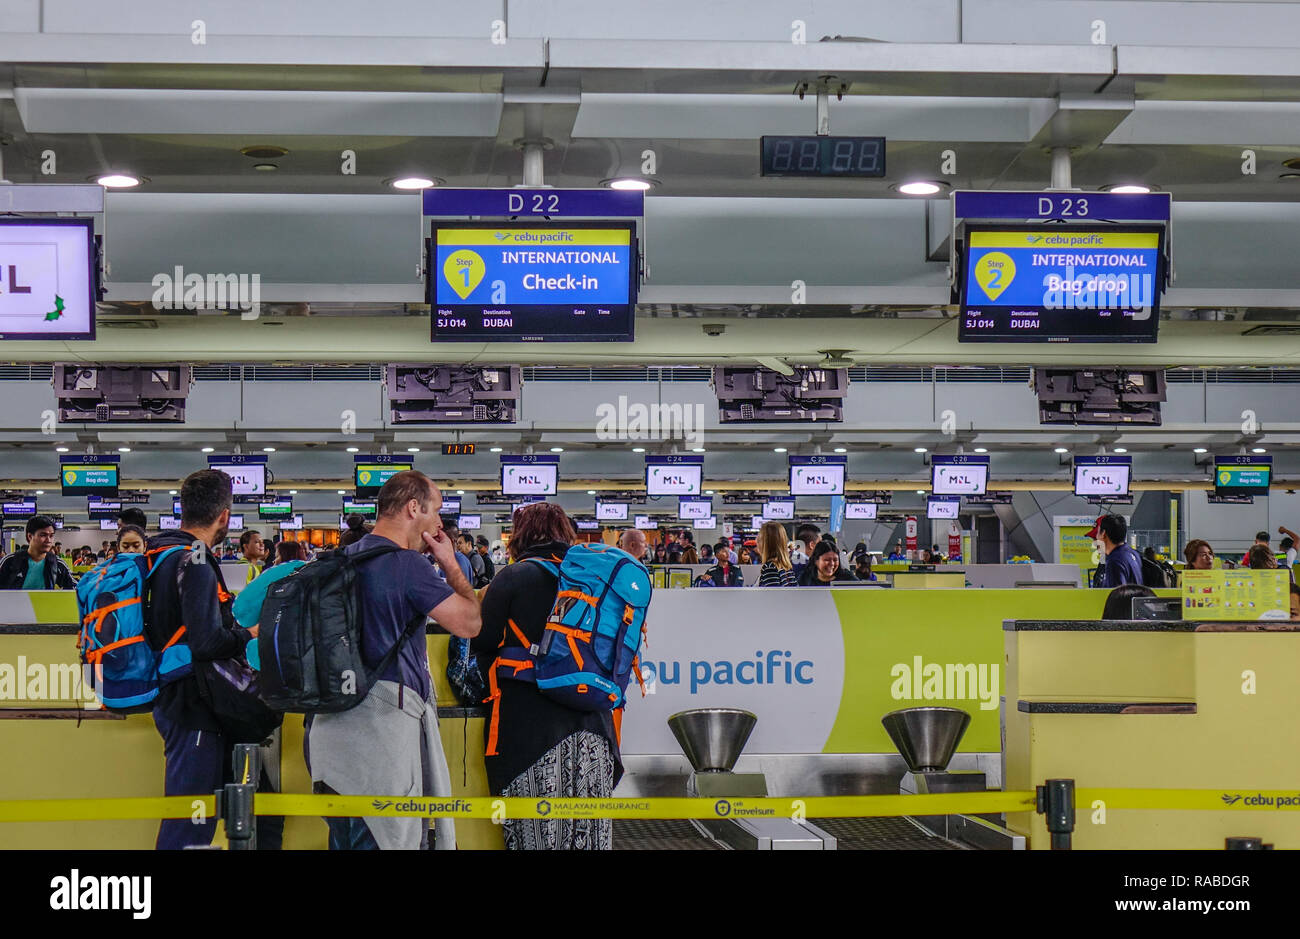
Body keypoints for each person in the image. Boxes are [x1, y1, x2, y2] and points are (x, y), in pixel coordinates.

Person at [307, 471, 480, 851]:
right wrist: (451, 563)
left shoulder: (337, 560)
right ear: (412, 507)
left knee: (348, 838)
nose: (439, 524)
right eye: (435, 511)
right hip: (380, 738)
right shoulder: (408, 566)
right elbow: (469, 623)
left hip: (328, 737)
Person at [145, 469, 283, 850]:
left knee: (258, 809)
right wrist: (249, 635)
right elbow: (206, 642)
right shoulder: (196, 558)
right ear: (224, 516)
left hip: (187, 698)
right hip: (194, 706)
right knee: (190, 824)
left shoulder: (160, 553)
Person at [472, 502, 620, 850]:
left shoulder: (514, 576)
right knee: (590, 838)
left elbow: (482, 642)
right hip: (594, 731)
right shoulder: (594, 579)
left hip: (531, 732)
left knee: (537, 838)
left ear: (520, 536)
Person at [233, 541, 310, 668]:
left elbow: (242, 613)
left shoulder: (280, 572)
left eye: (277, 556)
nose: (274, 561)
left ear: (286, 556)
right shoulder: (320, 573)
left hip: (280, 657)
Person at [0, 516, 76, 589]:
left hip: (44, 602)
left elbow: (74, 586)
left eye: (51, 536)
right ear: (30, 536)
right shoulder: (10, 561)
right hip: (14, 602)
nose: (48, 540)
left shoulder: (56, 563)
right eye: (43, 535)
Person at [1091, 514, 1142, 588]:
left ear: (1104, 534)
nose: (1095, 540)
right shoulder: (1133, 554)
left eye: (1098, 533)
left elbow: (1118, 595)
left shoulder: (1115, 560)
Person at [756, 521, 796, 586]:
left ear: (766, 544)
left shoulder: (770, 568)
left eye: (759, 539)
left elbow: (772, 595)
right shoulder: (786, 568)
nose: (756, 541)